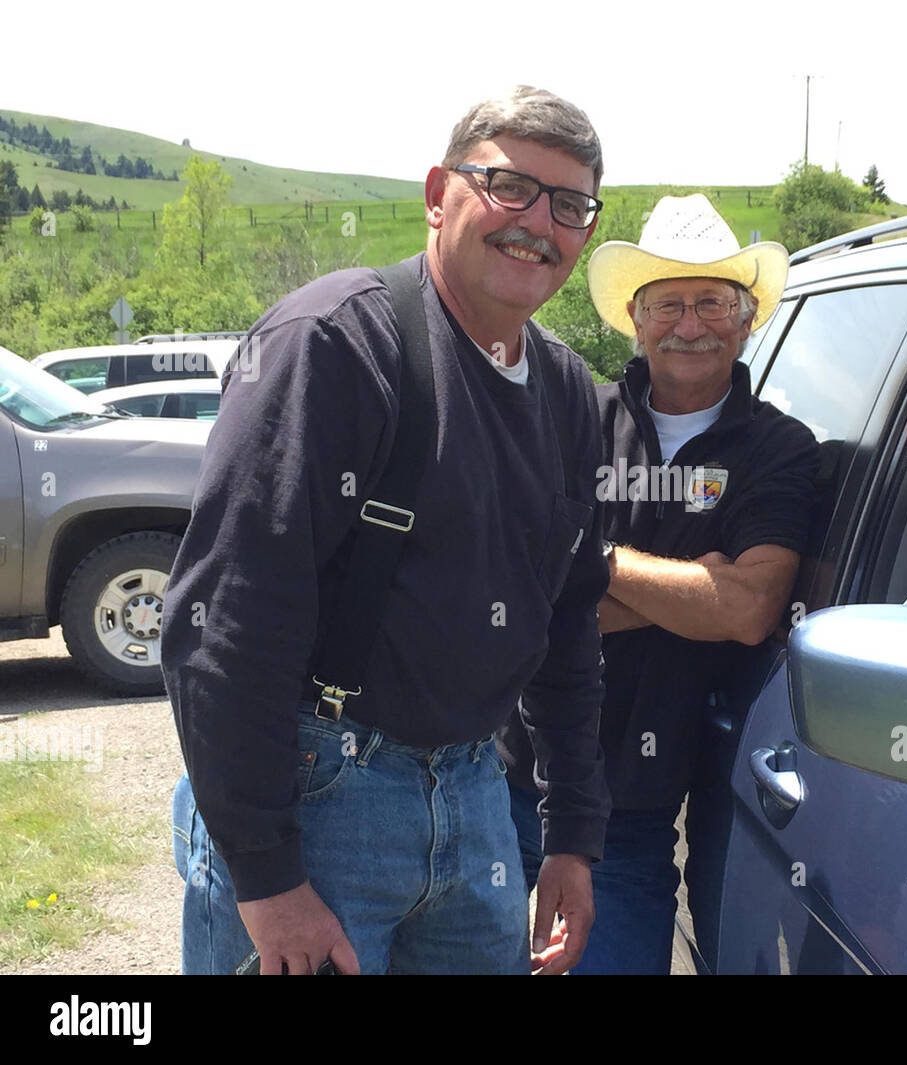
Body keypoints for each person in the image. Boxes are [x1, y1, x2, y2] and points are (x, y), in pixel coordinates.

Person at [162, 86, 611, 976]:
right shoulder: (336, 343)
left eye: (570, 206)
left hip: (479, 793)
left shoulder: (566, 393)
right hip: (323, 790)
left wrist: (571, 835)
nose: (538, 224)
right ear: (440, 192)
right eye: (511, 187)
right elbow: (227, 621)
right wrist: (265, 874)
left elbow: (568, 629)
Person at [498, 194, 820, 974]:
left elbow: (746, 611)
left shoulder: (780, 449)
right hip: (507, 782)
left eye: (713, 301)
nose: (690, 323)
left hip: (633, 820)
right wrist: (690, 590)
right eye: (668, 302)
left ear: (747, 319)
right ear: (635, 320)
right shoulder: (570, 417)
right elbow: (515, 596)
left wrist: (593, 564)